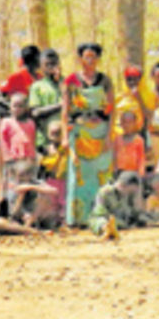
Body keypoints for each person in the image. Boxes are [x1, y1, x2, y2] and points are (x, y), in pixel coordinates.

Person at [62, 42, 115, 227]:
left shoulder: (106, 80)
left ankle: (101, 217)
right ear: (80, 59)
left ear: (98, 59)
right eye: (86, 56)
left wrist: (109, 136)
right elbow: (65, 111)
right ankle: (78, 219)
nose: (90, 60)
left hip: (100, 132)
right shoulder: (71, 81)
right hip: (79, 132)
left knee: (101, 175)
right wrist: (64, 136)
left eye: (94, 57)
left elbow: (111, 110)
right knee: (79, 176)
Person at [89, 170, 146, 239]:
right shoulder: (105, 192)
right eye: (130, 191)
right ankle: (107, 230)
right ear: (123, 186)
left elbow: (133, 212)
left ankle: (111, 231)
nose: (130, 194)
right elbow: (100, 212)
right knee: (100, 221)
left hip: (119, 223)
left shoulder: (125, 196)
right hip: (102, 219)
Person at [28, 49, 64, 150]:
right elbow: (35, 112)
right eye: (47, 64)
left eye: (53, 64)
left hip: (66, 138)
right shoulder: (37, 86)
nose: (50, 67)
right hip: (45, 141)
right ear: (41, 67)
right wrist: (60, 106)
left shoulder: (67, 83)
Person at [0, 92, 38, 187]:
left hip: (28, 160)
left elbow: (32, 140)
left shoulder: (30, 123)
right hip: (13, 159)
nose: (17, 109)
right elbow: (3, 141)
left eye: (20, 106)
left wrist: (32, 158)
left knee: (29, 183)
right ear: (10, 107)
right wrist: (8, 158)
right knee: (13, 184)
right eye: (14, 106)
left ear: (25, 108)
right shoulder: (6, 122)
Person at [113, 110, 146, 176]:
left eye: (130, 122)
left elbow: (141, 159)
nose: (127, 125)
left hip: (133, 173)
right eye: (124, 122)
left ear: (134, 123)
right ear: (121, 123)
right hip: (119, 173)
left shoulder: (139, 140)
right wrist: (114, 170)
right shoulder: (117, 139)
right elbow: (114, 156)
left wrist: (140, 174)